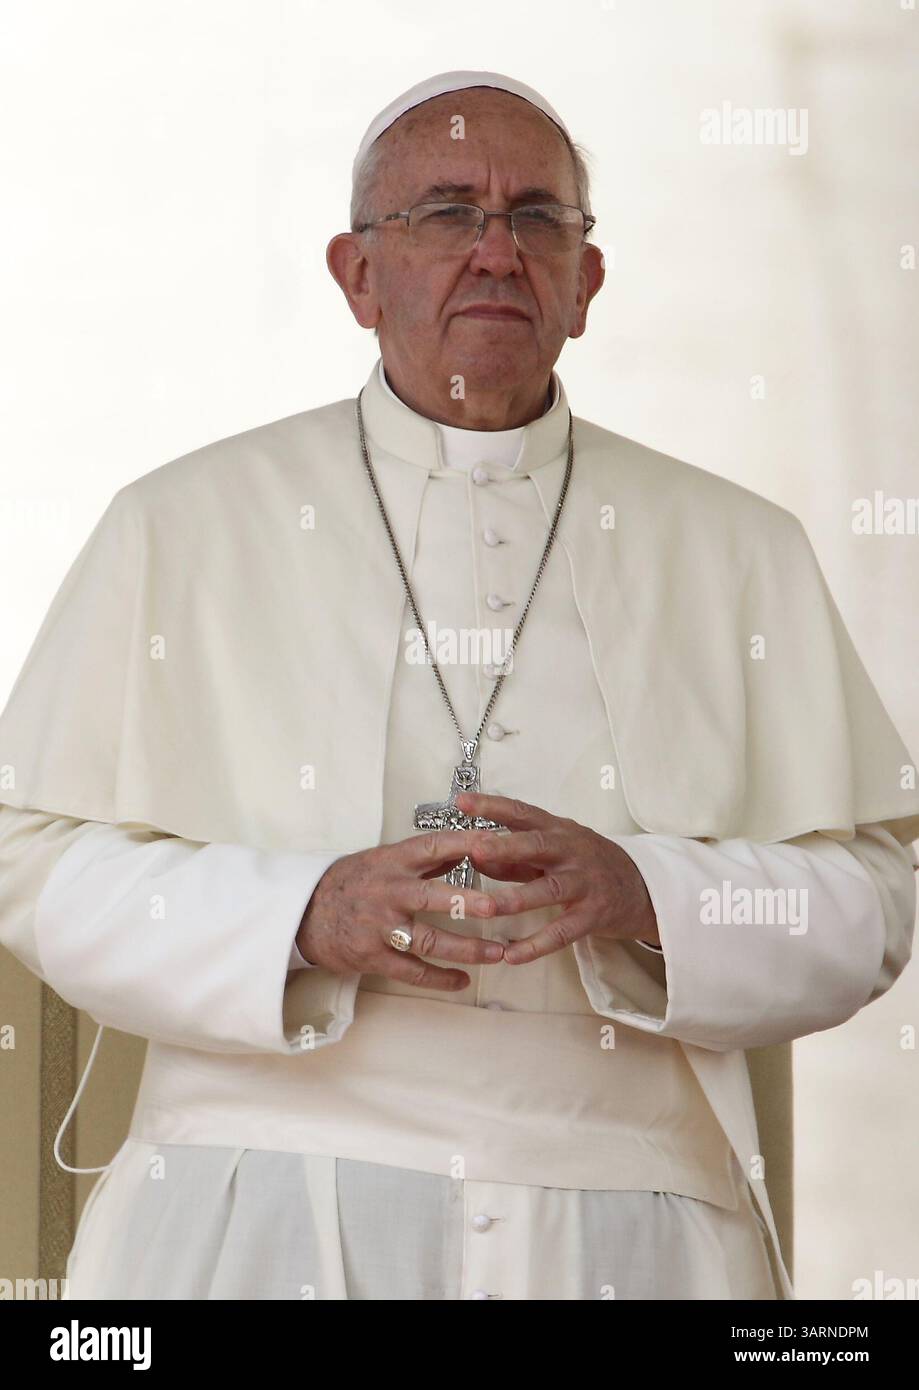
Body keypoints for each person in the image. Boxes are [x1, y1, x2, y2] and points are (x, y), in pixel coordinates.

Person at [1, 70, 916, 1301]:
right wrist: (298, 914)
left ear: (587, 283)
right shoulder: (184, 523)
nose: (497, 249)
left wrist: (650, 889)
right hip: (255, 1198)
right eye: (444, 212)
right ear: (357, 275)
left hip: (635, 1214)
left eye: (539, 217)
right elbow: (32, 859)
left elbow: (872, 898)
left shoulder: (736, 547)